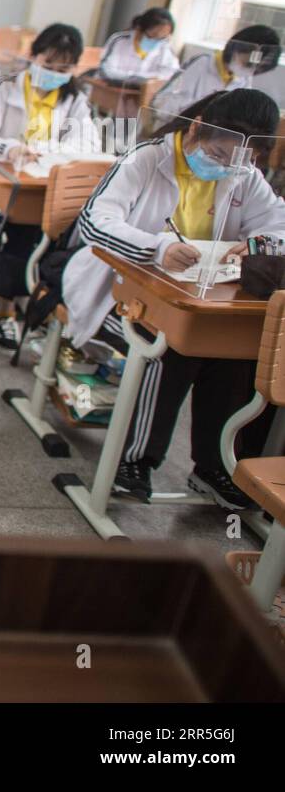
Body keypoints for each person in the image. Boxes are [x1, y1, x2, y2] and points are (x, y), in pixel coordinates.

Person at [62, 88, 285, 508]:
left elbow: (278, 222)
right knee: (167, 347)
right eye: (220, 154)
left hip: (198, 300)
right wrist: (158, 247)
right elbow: (95, 223)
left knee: (231, 354)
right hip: (120, 289)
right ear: (199, 128)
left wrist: (258, 242)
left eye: (241, 160)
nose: (226, 167)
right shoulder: (145, 160)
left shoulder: (244, 175)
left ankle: (214, 466)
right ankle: (134, 461)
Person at [0, 22, 99, 349]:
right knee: (17, 239)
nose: (55, 73)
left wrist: (61, 155)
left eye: (64, 67)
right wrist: (10, 149)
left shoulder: (75, 100)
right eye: (48, 64)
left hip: (48, 185)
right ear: (33, 55)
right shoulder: (6, 85)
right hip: (5, 181)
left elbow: (89, 145)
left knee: (57, 240)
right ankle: (4, 309)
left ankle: (32, 303)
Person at [151, 25, 283, 115]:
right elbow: (160, 104)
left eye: (257, 69)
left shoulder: (243, 78)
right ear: (236, 50)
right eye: (248, 64)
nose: (251, 72)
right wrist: (203, 110)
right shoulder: (201, 64)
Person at [96, 7, 179, 84]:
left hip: (147, 95)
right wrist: (138, 78)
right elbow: (106, 71)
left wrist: (140, 79)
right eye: (153, 35)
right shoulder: (119, 41)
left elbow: (170, 75)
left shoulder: (165, 47)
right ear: (139, 28)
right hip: (113, 91)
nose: (156, 41)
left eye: (162, 37)